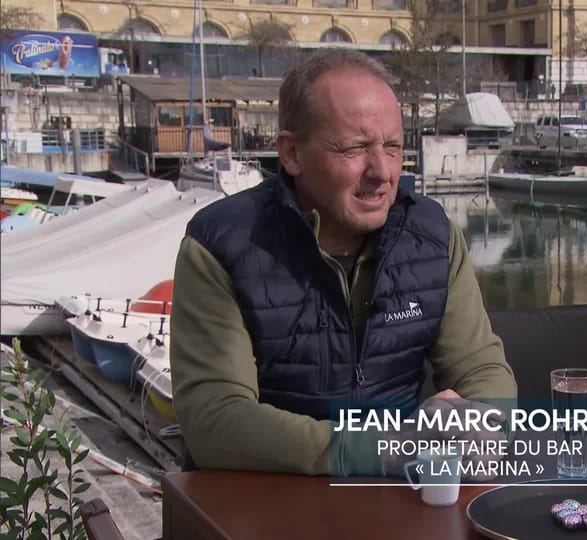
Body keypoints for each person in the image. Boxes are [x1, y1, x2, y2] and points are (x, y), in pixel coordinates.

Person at [169, 49, 517, 477]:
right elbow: (216, 423)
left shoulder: (434, 236)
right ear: (292, 153)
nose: (382, 172)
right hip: (261, 505)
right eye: (354, 148)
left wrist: (479, 427)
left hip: (401, 500)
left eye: (392, 147)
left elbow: (482, 369)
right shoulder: (221, 246)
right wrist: (385, 448)